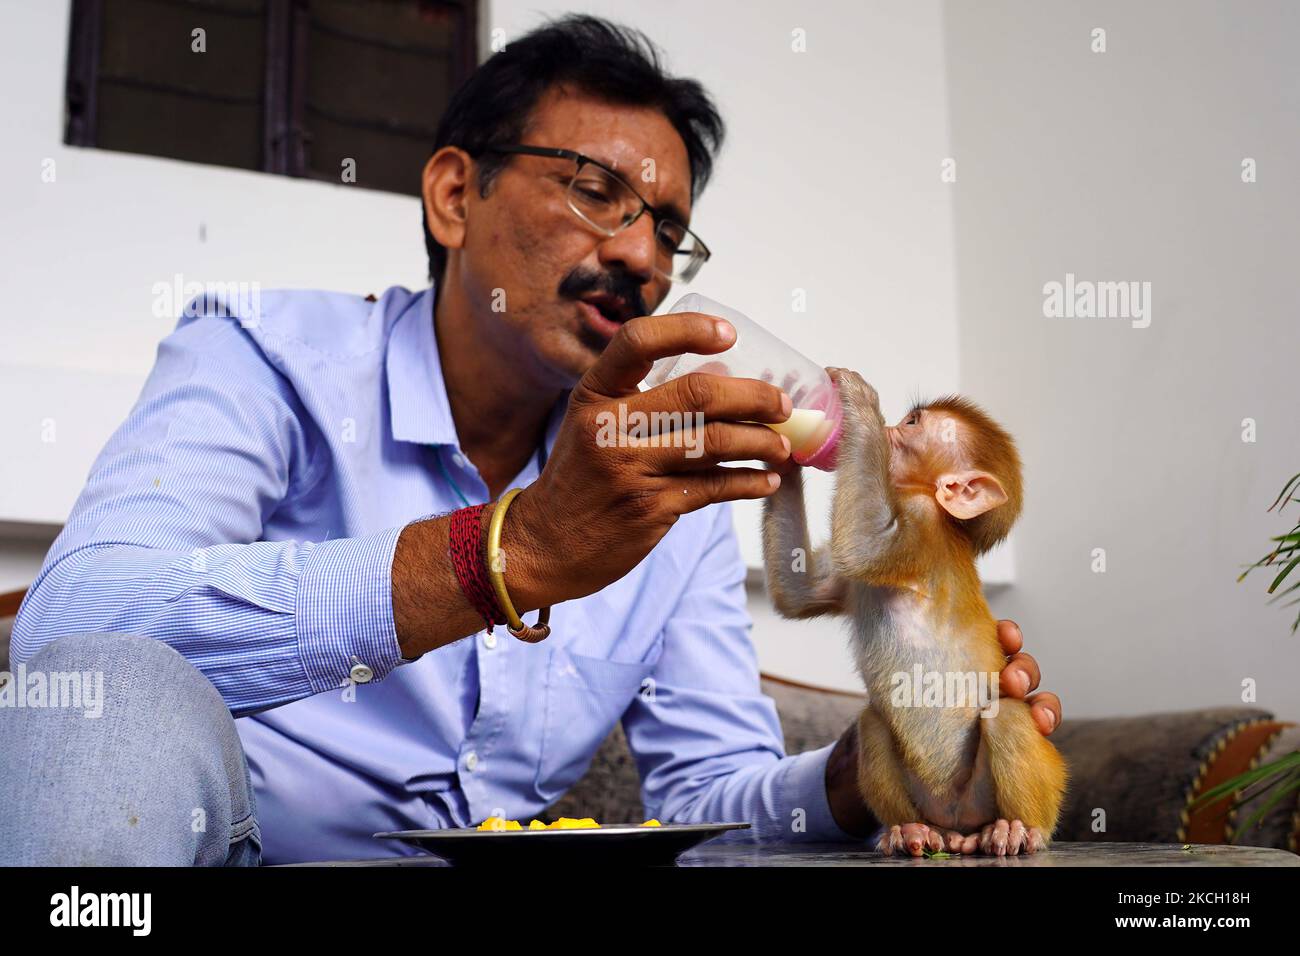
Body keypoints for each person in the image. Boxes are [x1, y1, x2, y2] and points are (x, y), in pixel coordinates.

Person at [0, 14, 1060, 865]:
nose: (642, 255)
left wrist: (868, 771)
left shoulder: (666, 473)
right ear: (456, 195)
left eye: (668, 228)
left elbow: (704, 797)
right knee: (114, 688)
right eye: (597, 192)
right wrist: (506, 553)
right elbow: (81, 620)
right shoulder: (268, 357)